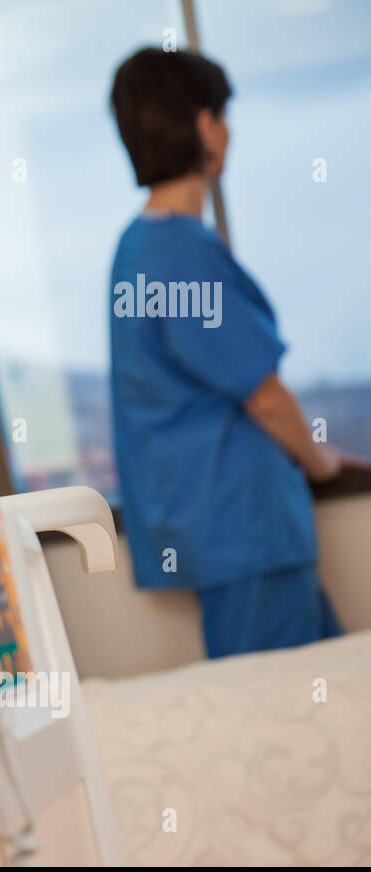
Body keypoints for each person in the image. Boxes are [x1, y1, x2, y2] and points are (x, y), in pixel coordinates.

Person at [107, 47, 355, 658]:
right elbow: (265, 397)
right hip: (246, 534)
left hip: (230, 536)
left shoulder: (137, 250)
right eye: (224, 115)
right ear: (204, 125)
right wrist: (322, 462)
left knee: (325, 714)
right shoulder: (181, 256)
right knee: (288, 724)